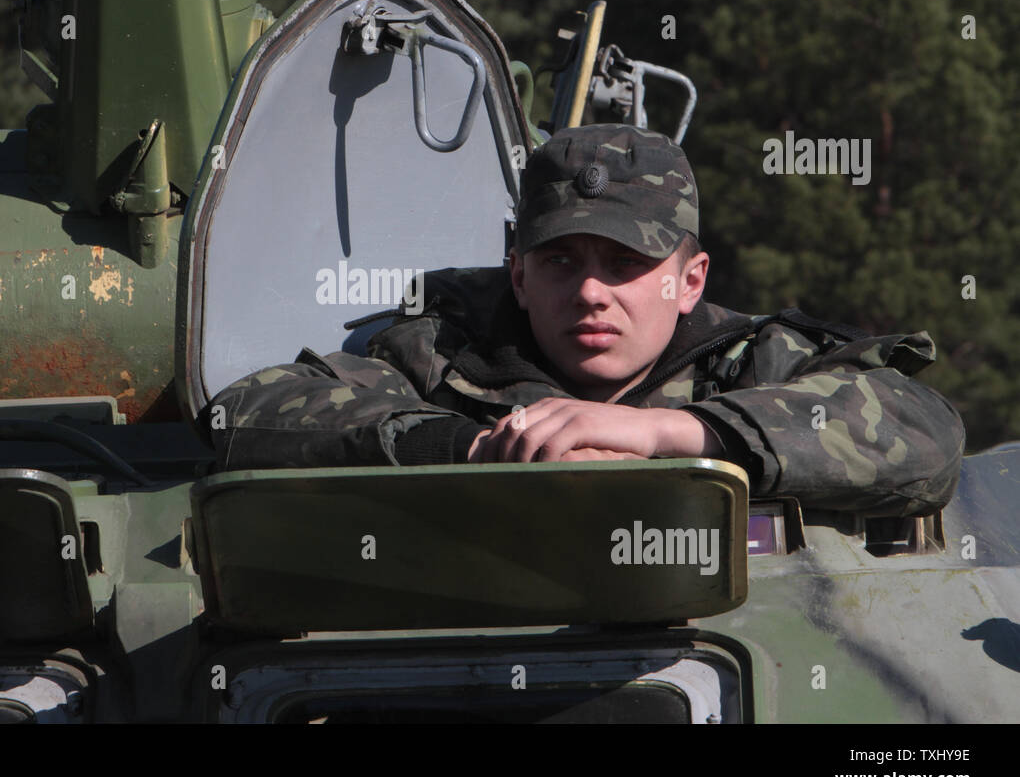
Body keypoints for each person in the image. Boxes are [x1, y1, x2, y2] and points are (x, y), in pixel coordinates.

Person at [204, 124, 964, 516]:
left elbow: (924, 430)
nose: (593, 292)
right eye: (561, 262)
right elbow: (242, 416)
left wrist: (670, 437)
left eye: (628, 264)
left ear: (689, 281)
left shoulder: (758, 363)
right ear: (518, 275)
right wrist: (466, 447)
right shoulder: (437, 357)